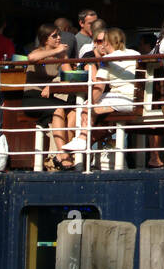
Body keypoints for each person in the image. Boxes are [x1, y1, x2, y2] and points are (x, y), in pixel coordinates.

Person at [62, 28, 140, 154]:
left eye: (103, 41)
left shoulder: (107, 60)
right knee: (96, 109)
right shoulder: (136, 54)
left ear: (107, 43)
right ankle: (86, 142)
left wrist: (89, 103)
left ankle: (82, 139)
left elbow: (99, 87)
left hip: (121, 100)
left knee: (87, 107)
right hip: (139, 101)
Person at [27, 24, 73, 170]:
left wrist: (63, 56)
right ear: (45, 39)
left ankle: (64, 154)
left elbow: (69, 77)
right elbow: (31, 57)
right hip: (31, 97)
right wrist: (56, 51)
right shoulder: (38, 51)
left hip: (47, 97)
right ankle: (63, 156)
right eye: (54, 36)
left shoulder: (60, 54)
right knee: (59, 109)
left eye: (59, 35)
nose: (59, 38)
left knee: (73, 111)